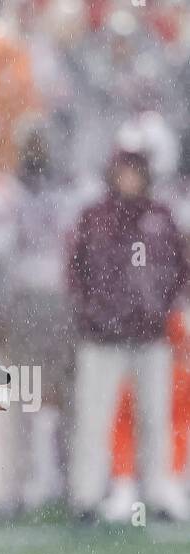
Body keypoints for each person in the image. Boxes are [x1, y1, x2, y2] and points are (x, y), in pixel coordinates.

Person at [65, 146, 189, 521]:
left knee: (156, 415)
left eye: (136, 171)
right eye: (124, 171)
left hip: (151, 335)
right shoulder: (95, 217)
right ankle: (86, 497)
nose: (130, 179)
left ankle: (158, 492)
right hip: (102, 336)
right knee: (93, 416)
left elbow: (180, 269)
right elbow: (76, 269)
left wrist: (163, 309)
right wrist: (93, 313)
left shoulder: (162, 217)